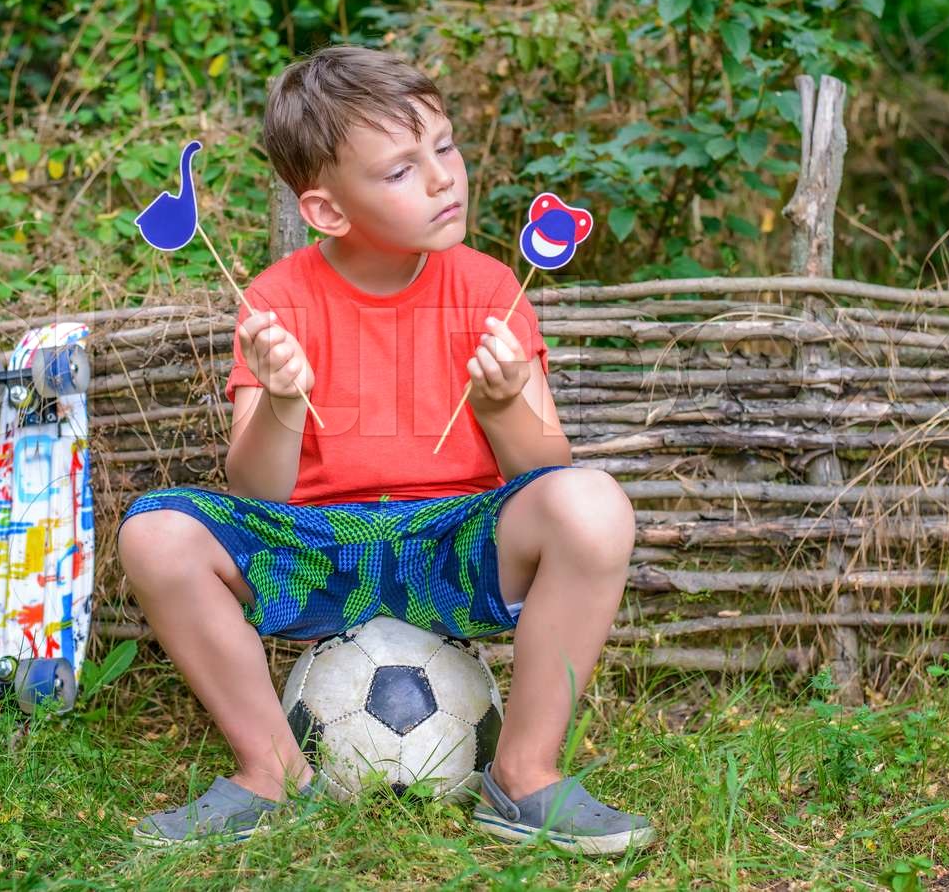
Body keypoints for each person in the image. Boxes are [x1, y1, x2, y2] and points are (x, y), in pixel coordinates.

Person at [116, 45, 653, 856]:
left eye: (444, 146)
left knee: (594, 503)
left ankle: (525, 776)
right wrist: (284, 401)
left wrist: (504, 404)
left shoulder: (491, 290)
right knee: (153, 533)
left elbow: (545, 475)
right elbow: (257, 493)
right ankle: (271, 774)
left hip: (457, 546)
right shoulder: (276, 299)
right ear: (329, 212)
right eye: (402, 170)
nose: (444, 177)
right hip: (317, 551)